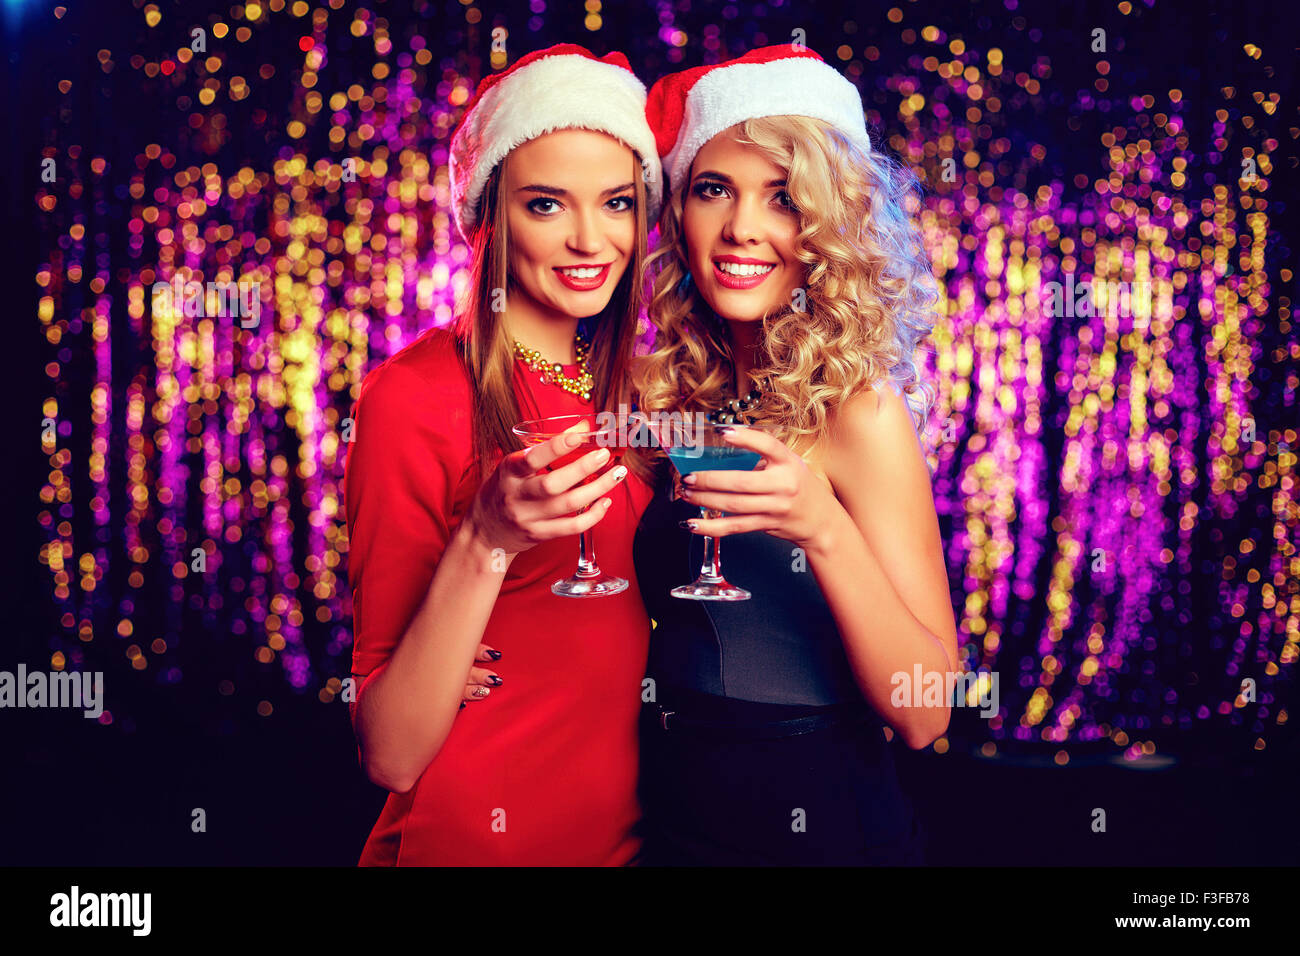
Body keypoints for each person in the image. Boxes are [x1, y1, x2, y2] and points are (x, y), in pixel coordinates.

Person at [629, 45, 959, 865]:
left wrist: (824, 529)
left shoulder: (862, 411)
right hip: (666, 803)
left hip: (813, 810)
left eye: (783, 198)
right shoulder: (661, 394)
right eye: (715, 190)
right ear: (679, 212)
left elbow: (927, 712)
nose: (743, 227)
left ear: (826, 223)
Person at [343, 43, 663, 865]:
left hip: (634, 842)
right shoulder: (411, 398)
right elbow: (390, 750)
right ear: (491, 214)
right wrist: (483, 544)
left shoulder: (648, 395)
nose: (591, 239)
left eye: (618, 203)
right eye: (548, 205)